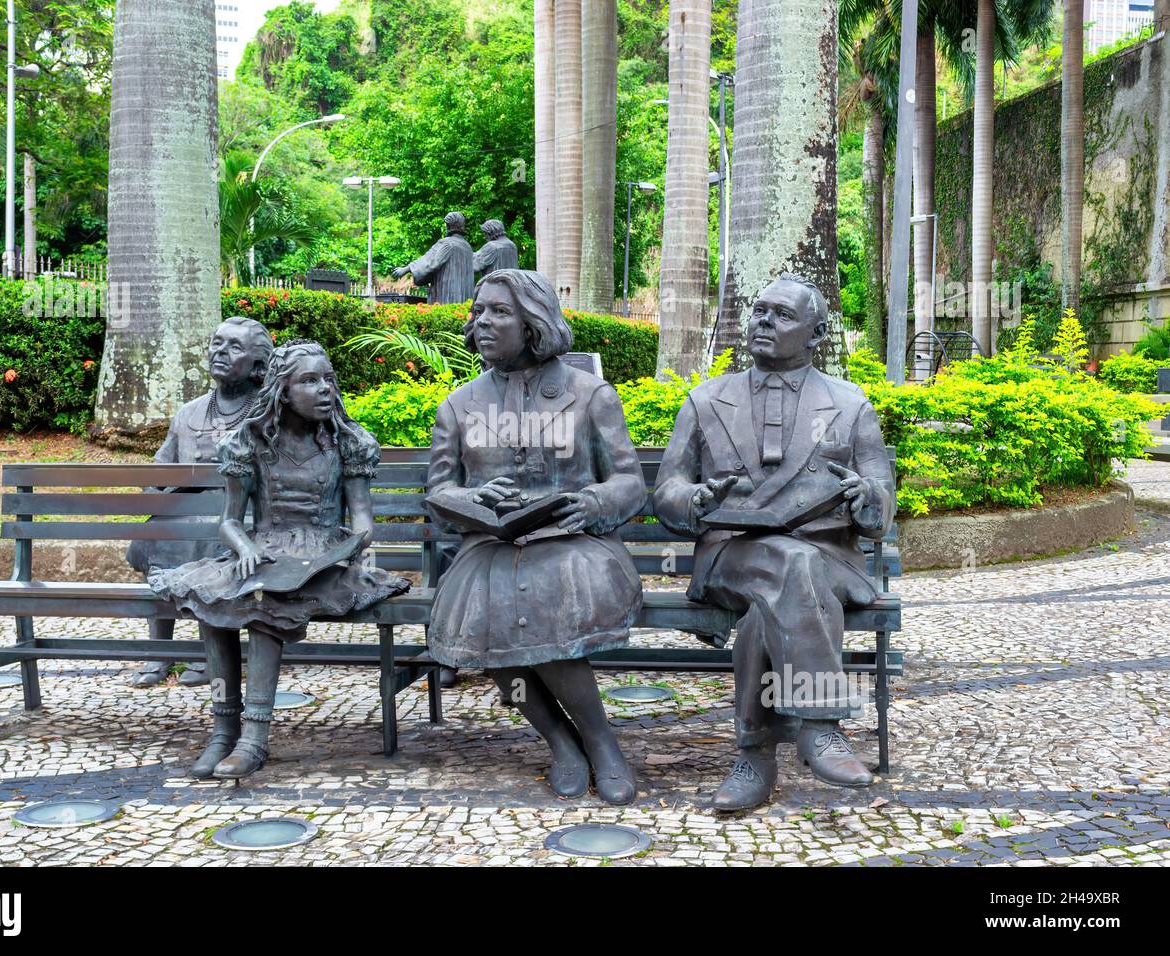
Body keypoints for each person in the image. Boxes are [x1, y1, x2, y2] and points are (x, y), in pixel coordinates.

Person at [653, 273, 895, 810]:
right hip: (731, 554)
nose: (763, 320)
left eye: (782, 314)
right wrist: (694, 501)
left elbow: (881, 496)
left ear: (815, 334)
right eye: (759, 310)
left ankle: (754, 756)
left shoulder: (850, 404)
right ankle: (819, 724)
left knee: (781, 585)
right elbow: (667, 487)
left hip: (829, 556)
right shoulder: (706, 400)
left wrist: (863, 498)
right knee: (788, 568)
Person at [425, 269, 647, 804]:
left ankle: (600, 742)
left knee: (543, 595)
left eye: (499, 311)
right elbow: (438, 489)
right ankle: (562, 744)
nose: (482, 322)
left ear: (534, 322)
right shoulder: (460, 405)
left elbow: (629, 481)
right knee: (489, 606)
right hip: (492, 547)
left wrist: (589, 502)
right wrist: (472, 501)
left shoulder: (590, 395)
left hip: (575, 546)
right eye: (478, 311)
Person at [148, 341, 411, 780]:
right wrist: (246, 546)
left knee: (264, 603)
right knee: (211, 605)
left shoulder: (349, 442)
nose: (325, 389)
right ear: (282, 391)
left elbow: (362, 520)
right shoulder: (247, 444)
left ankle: (254, 738)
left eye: (329, 379)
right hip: (266, 549)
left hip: (326, 559)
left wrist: (351, 548)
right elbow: (230, 522)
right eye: (310, 381)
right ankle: (222, 728)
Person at [126, 316, 274, 687]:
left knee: (207, 538)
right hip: (181, 519)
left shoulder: (269, 414)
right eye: (217, 343)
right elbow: (160, 471)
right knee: (161, 539)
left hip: (240, 518)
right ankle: (158, 653)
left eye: (234, 346)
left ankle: (210, 654)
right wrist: (157, 503)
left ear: (259, 365)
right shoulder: (188, 413)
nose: (220, 352)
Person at [391, 211, 474, 304]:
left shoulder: (447, 243)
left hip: (446, 296)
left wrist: (405, 269)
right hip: (465, 300)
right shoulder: (467, 247)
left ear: (448, 226)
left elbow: (429, 261)